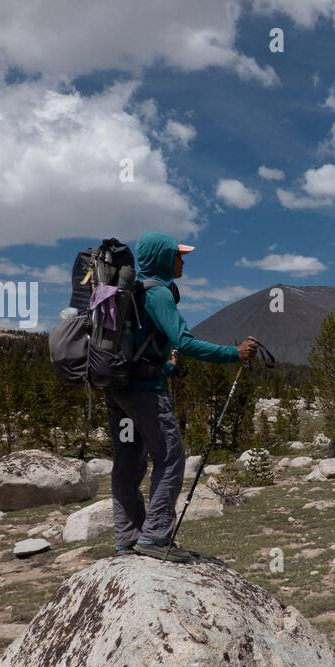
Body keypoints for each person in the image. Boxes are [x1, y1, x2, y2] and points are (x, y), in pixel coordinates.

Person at [106, 231, 257, 562]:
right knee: (171, 458)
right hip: (146, 394)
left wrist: (168, 369)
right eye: (178, 255)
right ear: (162, 257)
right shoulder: (158, 293)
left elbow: (140, 354)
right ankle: (155, 535)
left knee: (128, 462)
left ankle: (128, 537)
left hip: (119, 390)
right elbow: (185, 342)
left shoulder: (134, 291)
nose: (183, 260)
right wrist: (235, 353)